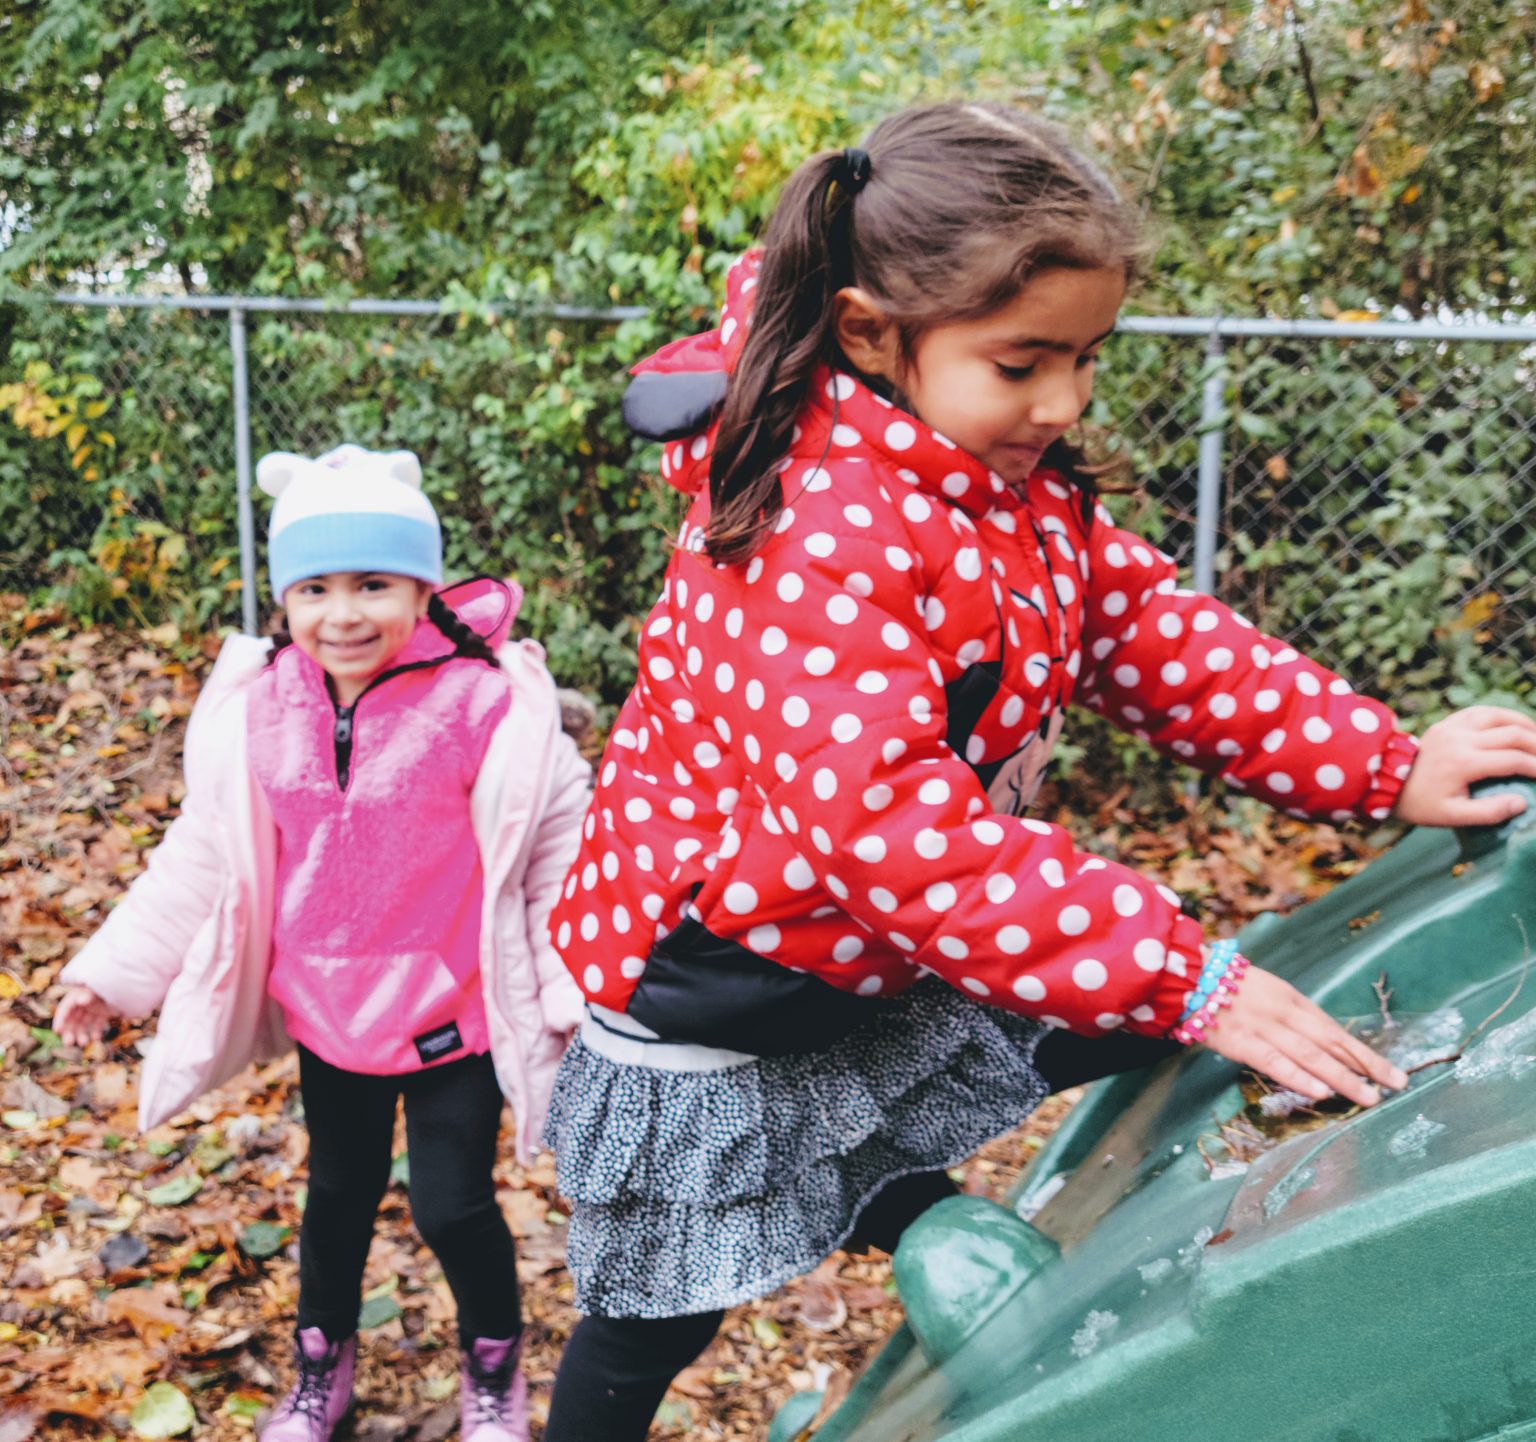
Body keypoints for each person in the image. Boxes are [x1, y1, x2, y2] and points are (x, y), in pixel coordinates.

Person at [537, 100, 1536, 1440]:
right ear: (868, 334)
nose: (1064, 401)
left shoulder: (1000, 487)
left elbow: (1163, 642)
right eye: (1024, 363)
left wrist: (1387, 763)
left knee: (1148, 1021)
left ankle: (969, 1210)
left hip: (872, 937)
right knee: (664, 1300)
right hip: (726, 972)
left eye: (1086, 358)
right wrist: (1186, 974)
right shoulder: (812, 535)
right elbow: (896, 834)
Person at [53, 445, 590, 1442]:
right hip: (329, 1012)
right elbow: (203, 861)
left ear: (423, 587)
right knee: (335, 1203)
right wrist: (110, 975)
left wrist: (572, 987)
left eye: (374, 584)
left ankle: (492, 1373)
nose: (343, 613)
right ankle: (319, 1374)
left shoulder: (485, 705)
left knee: (451, 1206)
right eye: (314, 588)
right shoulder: (262, 709)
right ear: (284, 598)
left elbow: (559, 853)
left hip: (449, 1014)